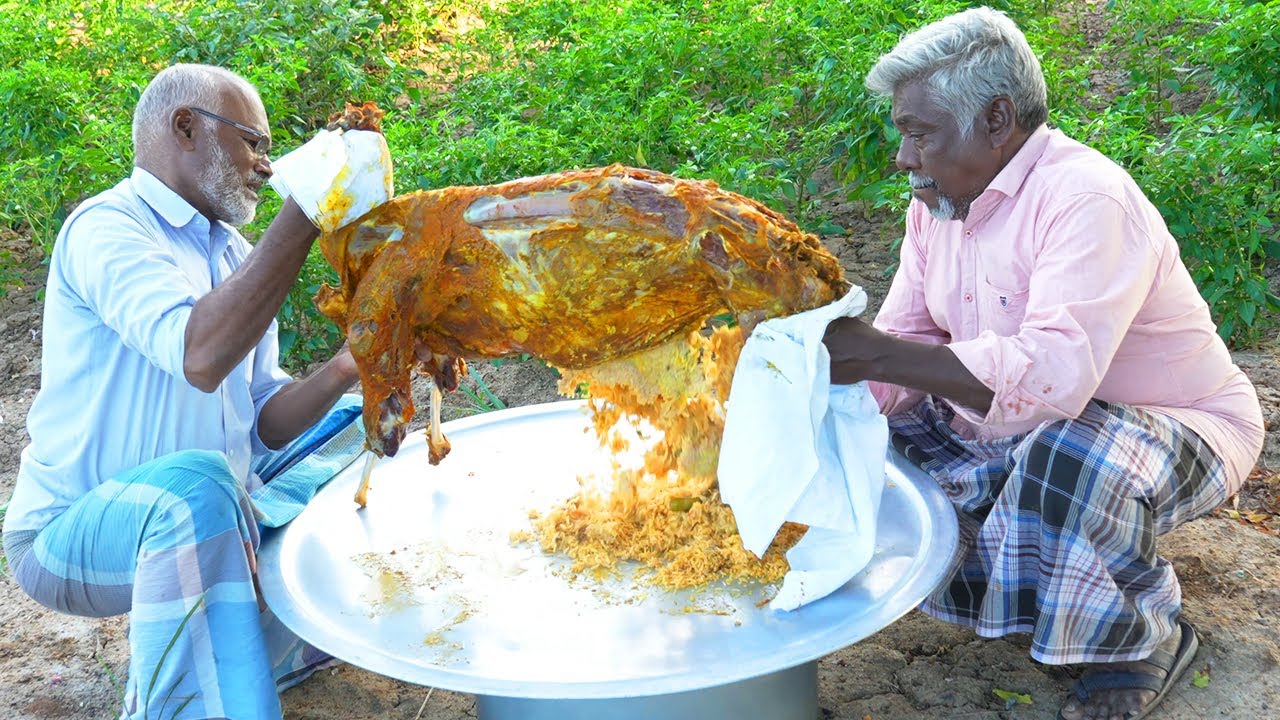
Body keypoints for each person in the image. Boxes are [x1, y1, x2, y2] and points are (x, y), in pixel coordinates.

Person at [821, 8, 1264, 720]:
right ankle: (1039, 582)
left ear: (997, 119)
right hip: (1022, 422)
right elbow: (903, 344)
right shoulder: (937, 204)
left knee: (1068, 459)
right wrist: (817, 404)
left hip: (1172, 427)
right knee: (866, 450)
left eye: (919, 133)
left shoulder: (1085, 197)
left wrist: (875, 352)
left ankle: (1135, 641)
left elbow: (1053, 378)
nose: (904, 157)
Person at [2, 64, 387, 719]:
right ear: (185, 127)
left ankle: (271, 642)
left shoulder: (234, 256)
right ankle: (183, 701)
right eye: (254, 144)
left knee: (362, 423)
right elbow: (199, 356)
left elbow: (263, 420)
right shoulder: (108, 228)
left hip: (206, 515)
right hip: (73, 537)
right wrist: (305, 210)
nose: (266, 166)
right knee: (197, 486)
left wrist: (349, 367)